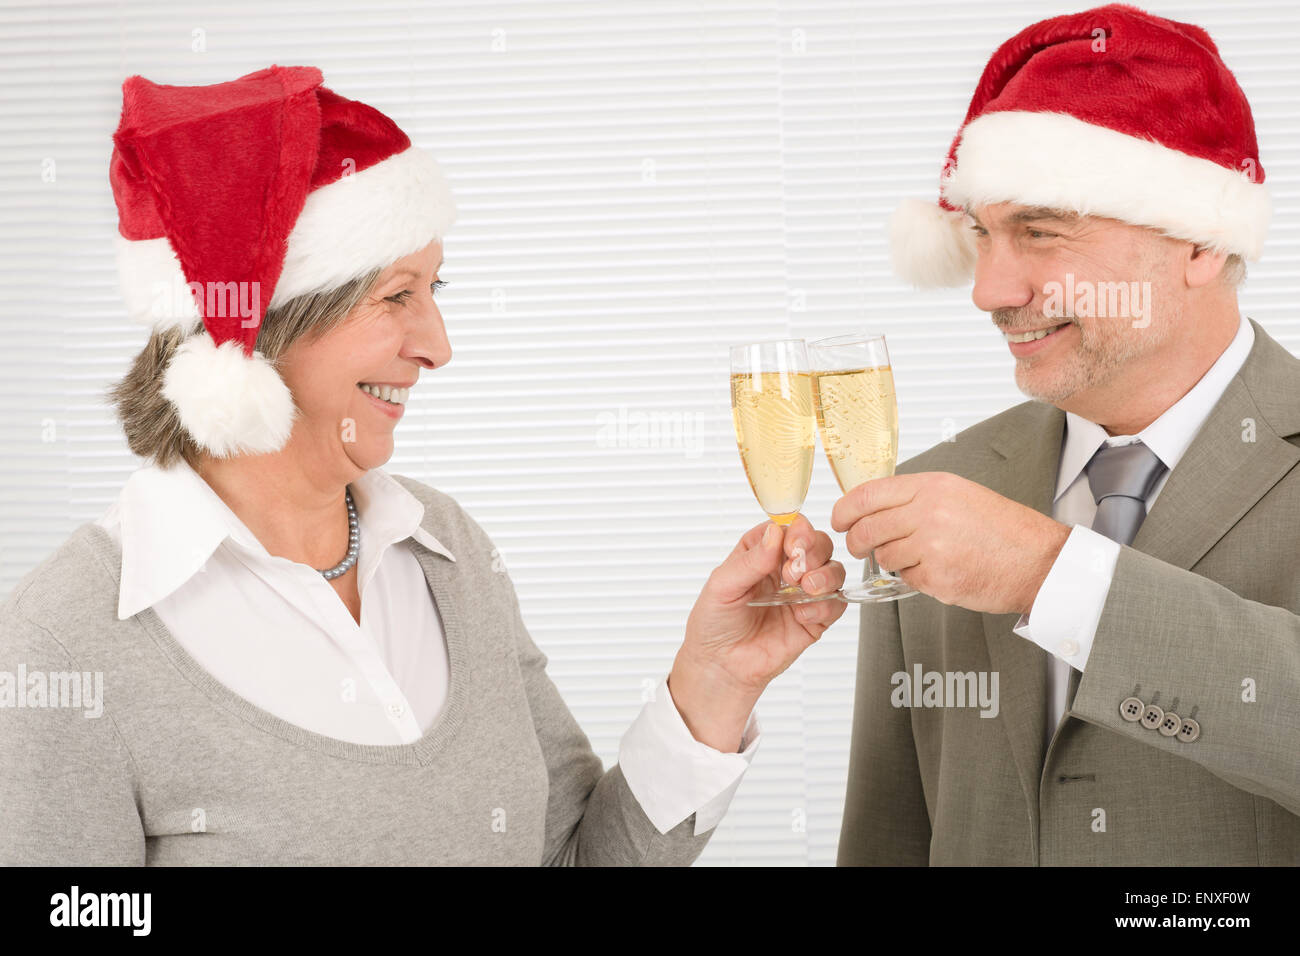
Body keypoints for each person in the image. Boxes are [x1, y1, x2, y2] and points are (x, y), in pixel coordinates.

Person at [0, 65, 847, 865]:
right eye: (398, 296)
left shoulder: (443, 548)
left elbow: (571, 857)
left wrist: (713, 683)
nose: (437, 346)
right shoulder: (68, 636)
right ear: (257, 329)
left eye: (436, 291)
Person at [835, 4, 1299, 865]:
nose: (989, 290)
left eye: (1041, 233)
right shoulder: (942, 484)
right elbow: (889, 830)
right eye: (981, 235)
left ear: (1200, 242)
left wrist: (1053, 575)